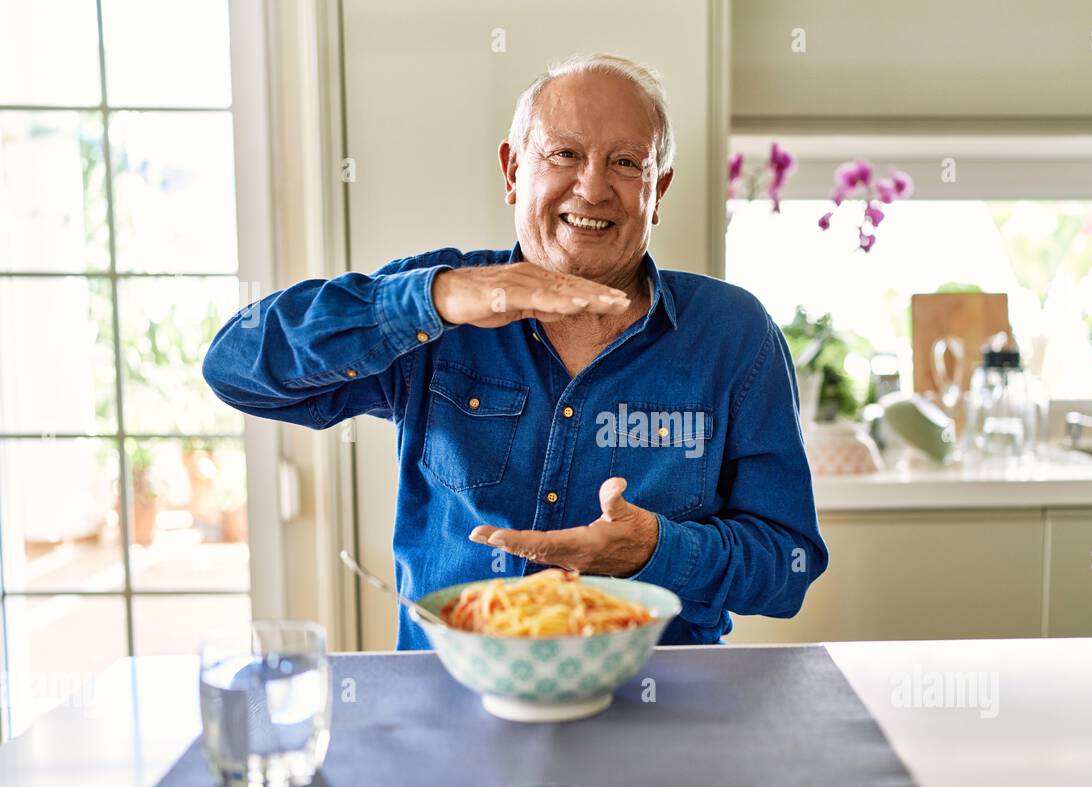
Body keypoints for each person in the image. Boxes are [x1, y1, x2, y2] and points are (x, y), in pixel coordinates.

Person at [203, 53, 827, 648]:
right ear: (511, 171)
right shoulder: (438, 301)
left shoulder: (733, 333)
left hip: (657, 702)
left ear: (658, 190)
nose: (593, 187)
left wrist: (657, 551)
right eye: (564, 153)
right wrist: (437, 299)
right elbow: (237, 366)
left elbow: (788, 566)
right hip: (456, 699)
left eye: (626, 163)